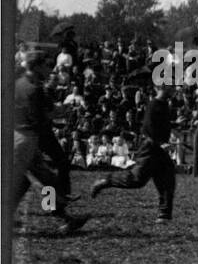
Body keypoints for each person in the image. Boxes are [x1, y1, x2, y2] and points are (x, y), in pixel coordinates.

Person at [12, 58, 89, 234]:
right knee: (44, 181)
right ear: (37, 67)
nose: (49, 69)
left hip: (19, 137)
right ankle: (63, 217)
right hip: (27, 139)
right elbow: (39, 119)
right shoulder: (35, 89)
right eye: (46, 65)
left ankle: (63, 217)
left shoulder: (19, 84)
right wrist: (60, 111)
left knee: (30, 180)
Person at [90, 80, 176, 222]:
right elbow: (148, 129)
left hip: (159, 149)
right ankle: (106, 180)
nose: (174, 89)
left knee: (167, 179)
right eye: (172, 86)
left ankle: (164, 215)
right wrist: (161, 143)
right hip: (150, 148)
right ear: (163, 87)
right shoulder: (154, 105)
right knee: (136, 180)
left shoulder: (165, 105)